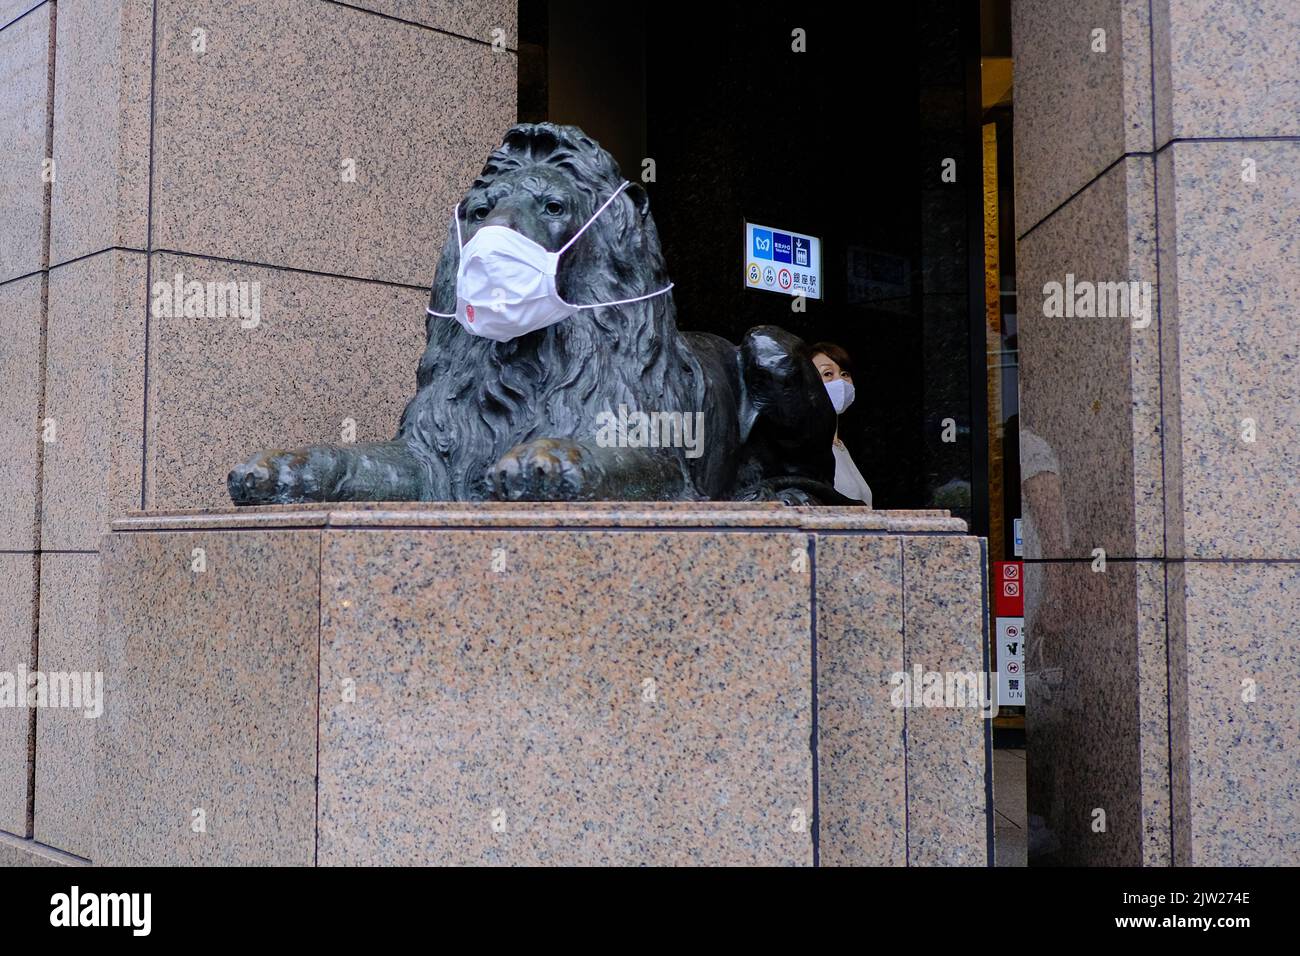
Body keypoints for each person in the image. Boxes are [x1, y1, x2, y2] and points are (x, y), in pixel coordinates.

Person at [808, 342, 873, 507]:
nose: (840, 381)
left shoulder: (840, 447)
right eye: (828, 373)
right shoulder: (808, 447)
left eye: (844, 373)